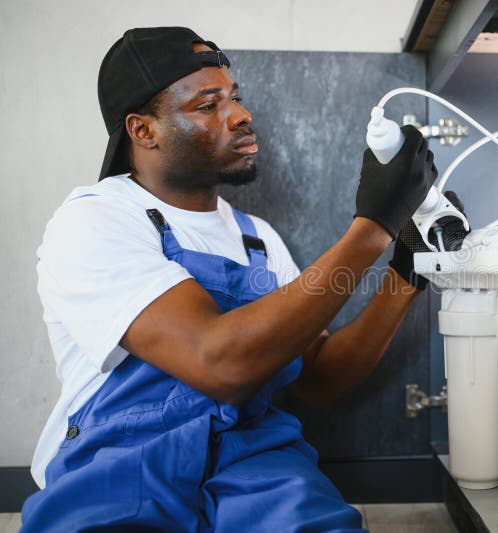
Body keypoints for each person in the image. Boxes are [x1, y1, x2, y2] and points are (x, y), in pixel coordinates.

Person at [21, 26, 447, 532]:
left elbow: (321, 378)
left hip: (254, 455)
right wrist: (372, 226)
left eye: (235, 97)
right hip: (122, 459)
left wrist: (408, 267)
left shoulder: (257, 239)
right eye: (208, 104)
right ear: (143, 130)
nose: (241, 115)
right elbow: (218, 361)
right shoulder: (98, 219)